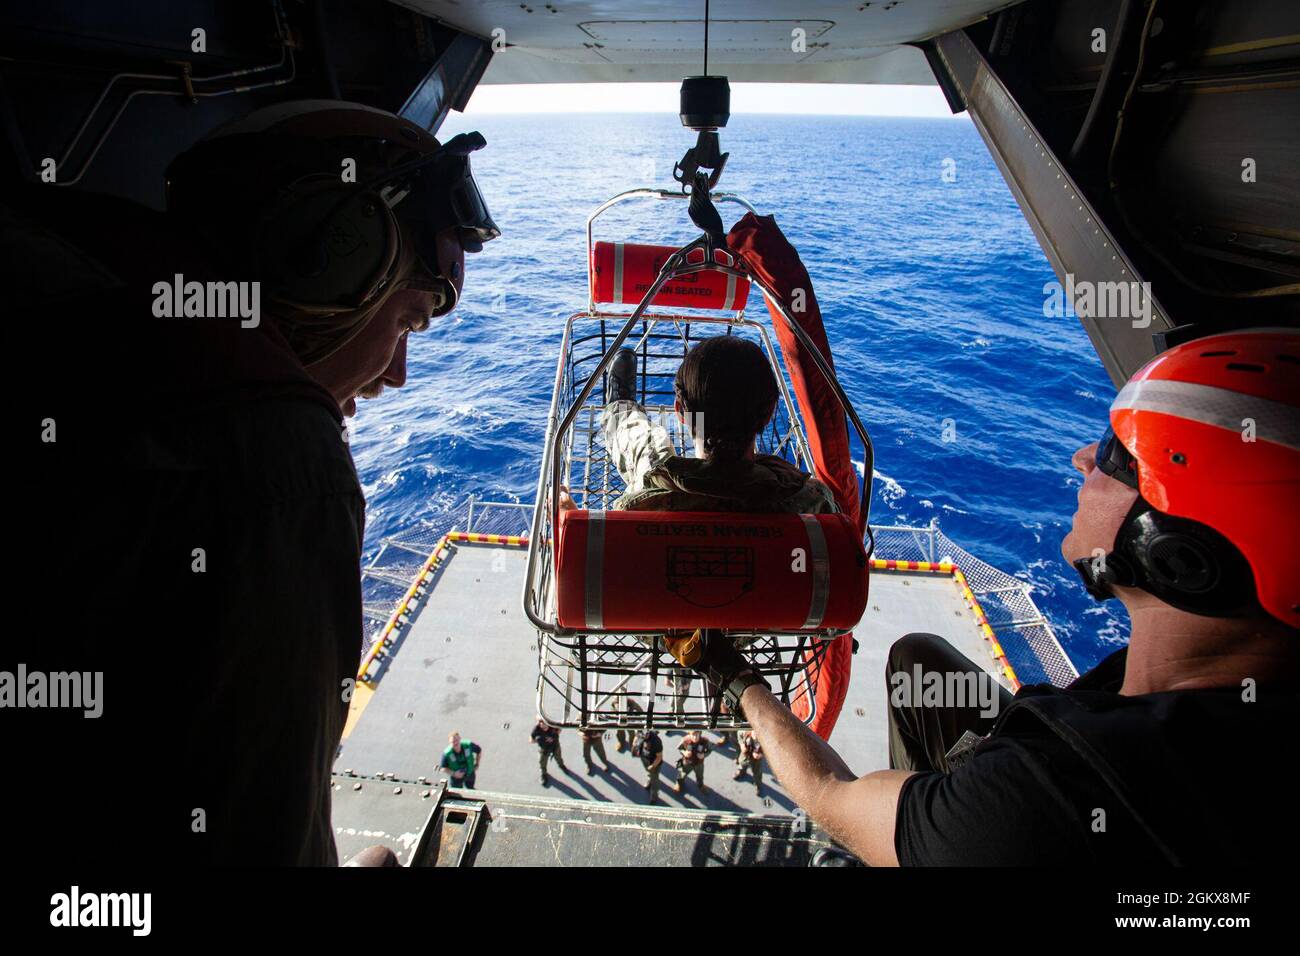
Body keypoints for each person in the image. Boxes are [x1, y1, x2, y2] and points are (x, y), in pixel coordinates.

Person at [19, 99, 498, 866]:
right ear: (333, 264)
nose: (399, 375)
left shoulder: (65, 289)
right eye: (407, 321)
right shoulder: (273, 458)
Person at [677, 329, 1299, 866]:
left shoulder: (1033, 802)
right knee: (919, 660)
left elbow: (829, 794)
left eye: (1117, 458)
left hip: (996, 824)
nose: (1085, 457)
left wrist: (732, 676)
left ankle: (920, 836)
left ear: (1180, 556)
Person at [600, 338, 838, 513]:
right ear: (769, 413)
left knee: (649, 445)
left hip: (671, 495)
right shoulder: (815, 501)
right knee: (652, 446)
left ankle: (621, 407)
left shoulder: (641, 504)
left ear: (680, 412)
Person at [531, 718, 568, 785]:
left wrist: (554, 736)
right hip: (544, 748)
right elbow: (531, 739)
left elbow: (559, 729)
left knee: (558, 757)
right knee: (542, 762)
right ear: (540, 724)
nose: (544, 727)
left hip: (555, 746)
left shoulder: (552, 725)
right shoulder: (536, 729)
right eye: (542, 725)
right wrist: (539, 740)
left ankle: (561, 765)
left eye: (545, 725)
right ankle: (543, 774)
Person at [633, 729, 665, 803]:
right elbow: (636, 738)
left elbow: (659, 757)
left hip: (653, 763)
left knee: (655, 781)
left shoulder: (656, 741)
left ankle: (654, 796)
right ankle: (649, 778)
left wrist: (653, 766)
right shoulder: (639, 734)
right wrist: (634, 745)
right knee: (648, 772)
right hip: (644, 758)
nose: (640, 737)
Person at [675, 729, 712, 794]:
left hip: (699, 764)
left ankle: (700, 785)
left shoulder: (705, 741)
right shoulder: (685, 739)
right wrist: (684, 752)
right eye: (693, 735)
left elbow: (709, 750)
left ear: (700, 733)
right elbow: (679, 748)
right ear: (689, 733)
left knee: (700, 776)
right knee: (682, 774)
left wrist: (704, 755)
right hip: (687, 762)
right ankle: (679, 783)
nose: (695, 737)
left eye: (697, 735)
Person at [734, 730, 764, 796]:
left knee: (757, 773)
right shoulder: (745, 732)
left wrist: (760, 755)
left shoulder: (764, 740)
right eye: (754, 733)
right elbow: (739, 733)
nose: (756, 736)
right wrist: (742, 745)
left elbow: (769, 751)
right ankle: (741, 771)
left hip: (756, 760)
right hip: (745, 755)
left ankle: (758, 785)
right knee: (742, 764)